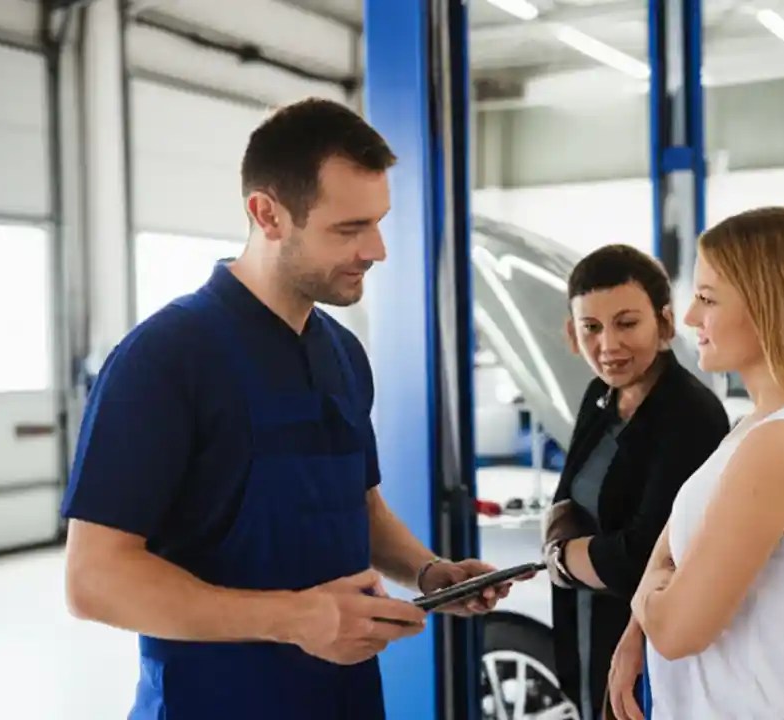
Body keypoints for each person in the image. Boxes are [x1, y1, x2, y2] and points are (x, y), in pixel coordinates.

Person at [61, 98, 515, 719]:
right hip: (213, 704)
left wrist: (430, 571)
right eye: (349, 229)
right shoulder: (165, 357)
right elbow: (94, 578)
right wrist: (297, 618)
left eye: (378, 221)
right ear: (267, 214)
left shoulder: (344, 353)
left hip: (346, 699)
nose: (377, 249)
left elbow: (360, 505)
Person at [605, 207, 784, 720]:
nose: (689, 318)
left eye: (707, 299)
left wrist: (646, 599)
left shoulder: (781, 446)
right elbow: (677, 533)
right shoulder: (756, 428)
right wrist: (636, 630)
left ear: (769, 309)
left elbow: (677, 632)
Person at [540, 244, 731, 720]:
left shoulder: (690, 414)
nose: (608, 345)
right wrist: (565, 550)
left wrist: (561, 558)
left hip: (648, 648)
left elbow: (650, 555)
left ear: (665, 324)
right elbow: (567, 501)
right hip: (588, 636)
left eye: (627, 323)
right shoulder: (599, 395)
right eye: (591, 328)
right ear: (571, 332)